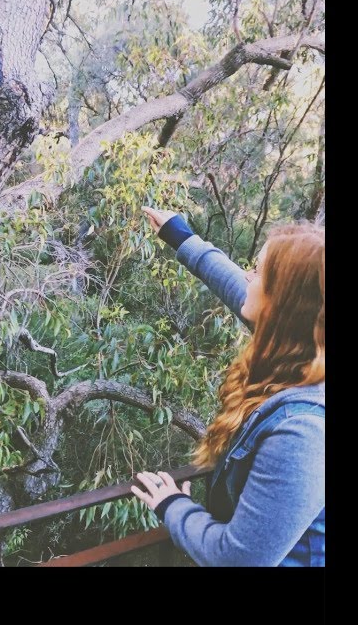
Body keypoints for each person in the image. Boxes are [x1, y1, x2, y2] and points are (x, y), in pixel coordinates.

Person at [129, 206, 325, 567]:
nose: (248, 277)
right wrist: (180, 236)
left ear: (283, 304)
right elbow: (235, 285)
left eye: (260, 273)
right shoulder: (305, 347)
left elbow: (239, 559)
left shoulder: (306, 430)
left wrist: (173, 506)